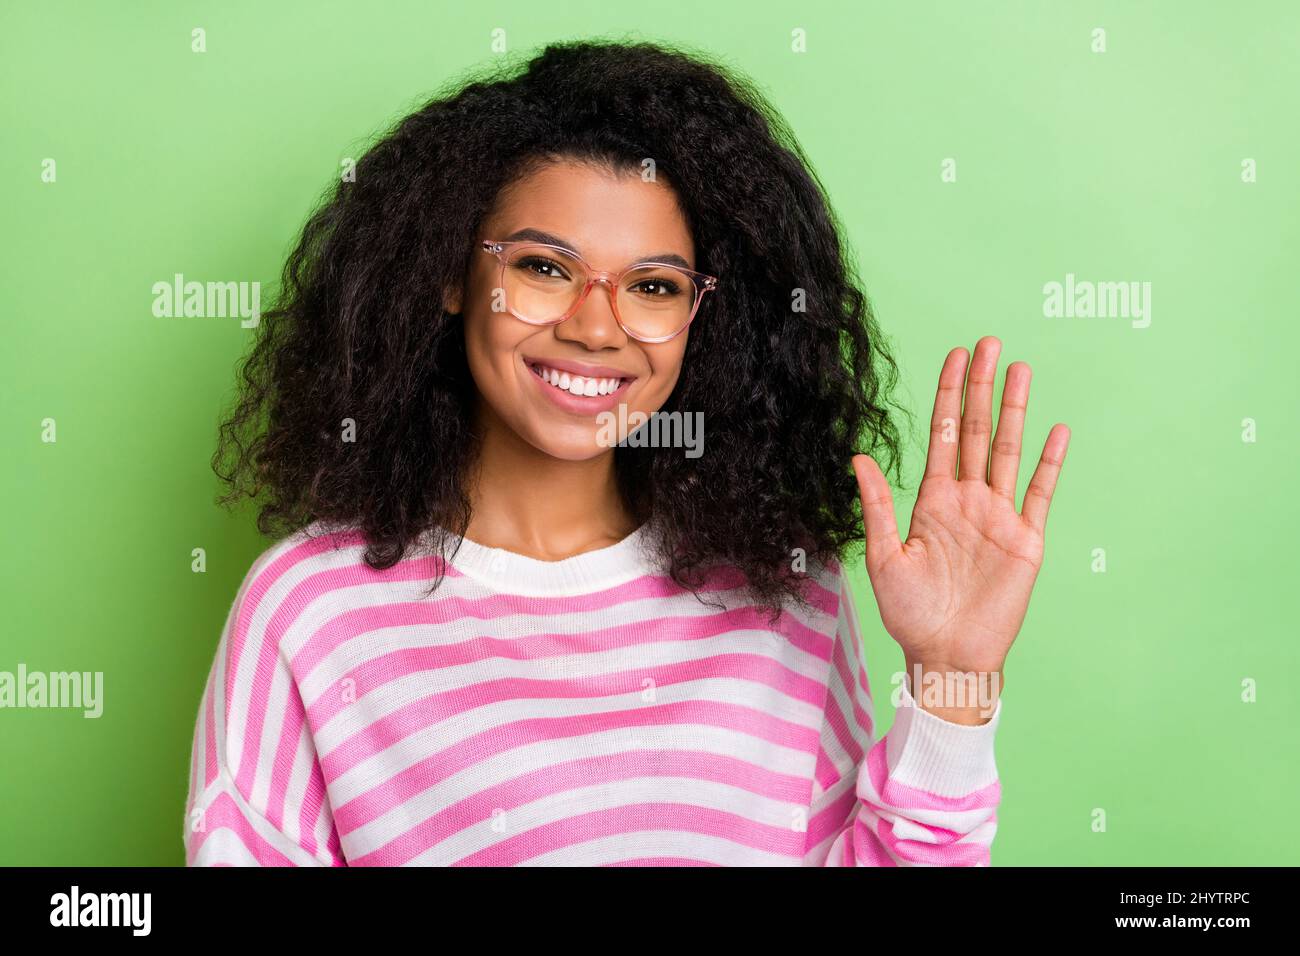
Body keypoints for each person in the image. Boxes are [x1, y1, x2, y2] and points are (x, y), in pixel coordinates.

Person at [184, 39, 1069, 866]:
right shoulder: (312, 613)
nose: (594, 326)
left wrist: (953, 681)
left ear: (702, 318)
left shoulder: (785, 588)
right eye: (542, 267)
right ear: (452, 275)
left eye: (653, 286)